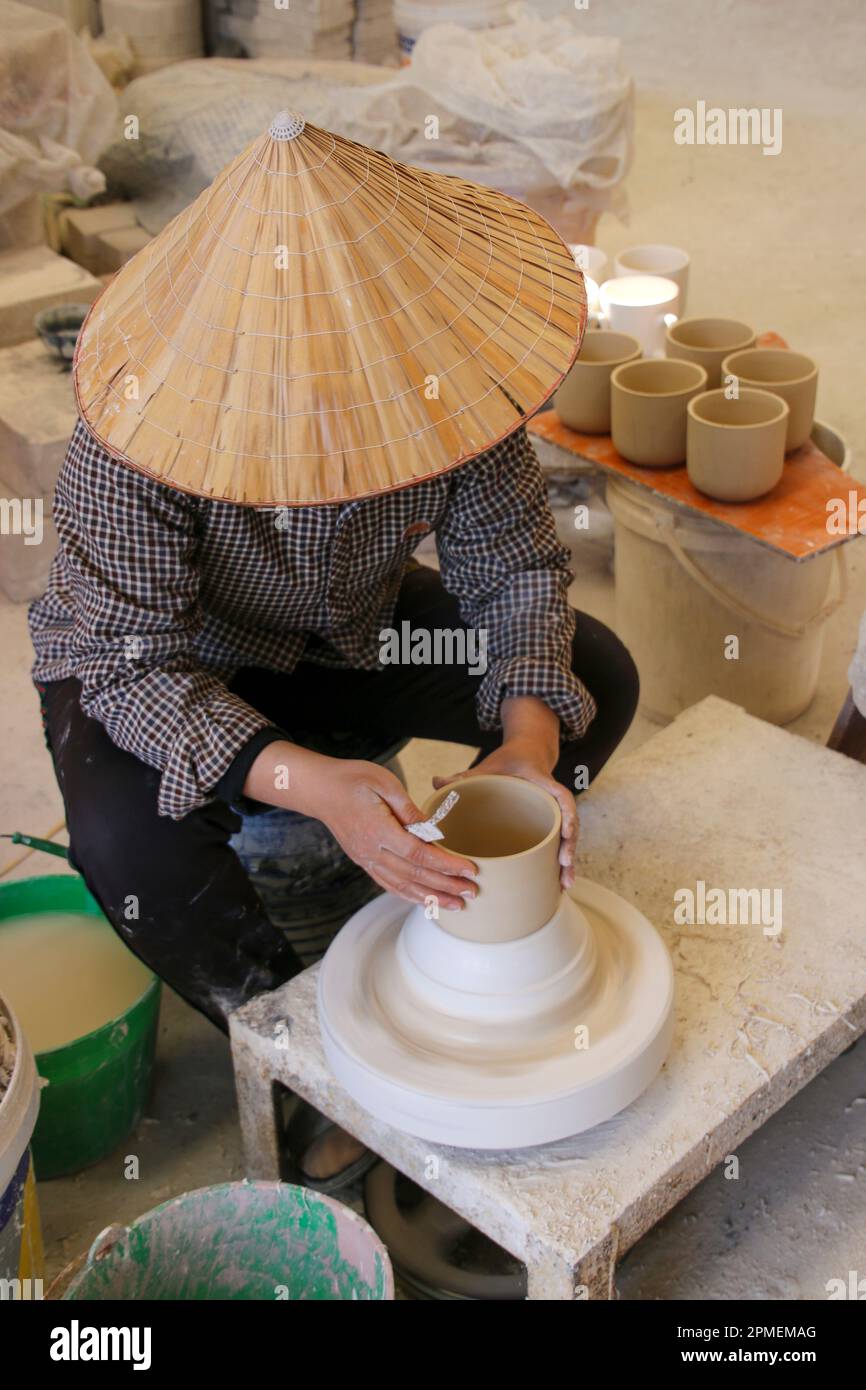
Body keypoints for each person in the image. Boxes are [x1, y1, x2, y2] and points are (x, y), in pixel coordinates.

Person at [28, 112, 638, 1186]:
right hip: (170, 667)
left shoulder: (446, 373)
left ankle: (461, 907)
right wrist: (317, 787)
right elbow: (129, 659)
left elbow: (513, 568)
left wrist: (529, 747)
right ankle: (303, 1054)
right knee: (126, 851)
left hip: (352, 634)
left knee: (595, 675)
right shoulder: (144, 415)